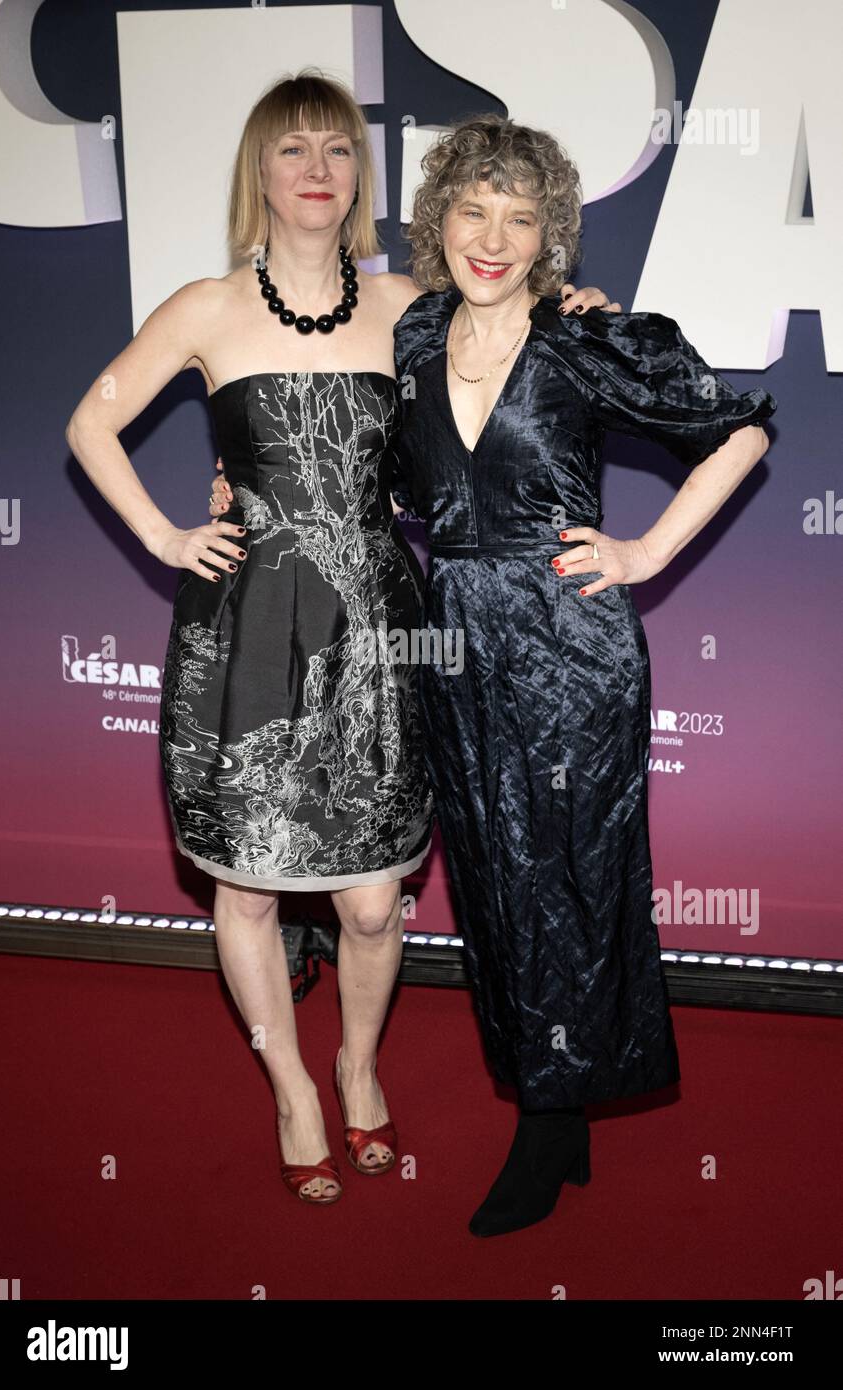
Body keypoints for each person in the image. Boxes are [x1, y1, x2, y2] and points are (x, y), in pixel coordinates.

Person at [215, 111, 776, 1239]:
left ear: (547, 238)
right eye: (473, 209)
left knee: (571, 877)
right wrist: (249, 496)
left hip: (570, 643)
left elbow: (740, 432)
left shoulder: (582, 338)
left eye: (520, 218)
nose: (493, 235)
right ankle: (554, 1108)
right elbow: (360, 467)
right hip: (451, 637)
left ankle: (545, 1118)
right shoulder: (414, 336)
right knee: (489, 879)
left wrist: (641, 554)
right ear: (439, 219)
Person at [66, 70, 615, 1209]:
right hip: (250, 628)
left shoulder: (409, 305)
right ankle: (294, 1089)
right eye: (291, 150)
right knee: (252, 887)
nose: (316, 170)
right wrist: (170, 535)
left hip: (377, 627)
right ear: (258, 173)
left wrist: (577, 315)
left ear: (359, 178)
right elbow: (92, 420)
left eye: (336, 151)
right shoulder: (203, 307)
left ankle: (359, 1061)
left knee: (372, 900)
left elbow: (507, 340)